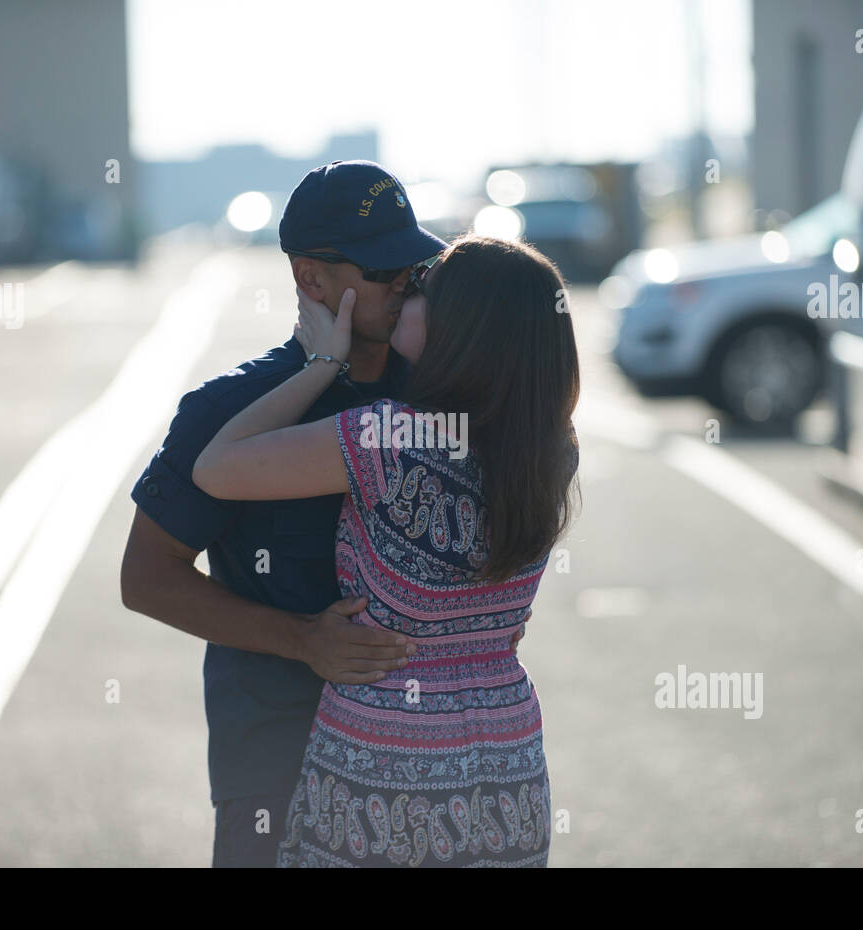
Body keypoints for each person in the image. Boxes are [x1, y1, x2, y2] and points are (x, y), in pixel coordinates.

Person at [121, 160, 523, 867]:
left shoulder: (435, 395)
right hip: (278, 757)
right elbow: (146, 577)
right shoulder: (227, 412)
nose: (406, 280)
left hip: (424, 769)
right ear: (312, 278)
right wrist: (302, 638)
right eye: (383, 269)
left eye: (414, 263)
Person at [192, 233, 581, 866]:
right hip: (507, 764)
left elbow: (216, 467)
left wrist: (321, 364)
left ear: (463, 327)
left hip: (385, 764)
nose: (404, 291)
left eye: (424, 288)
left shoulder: (383, 438)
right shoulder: (552, 447)